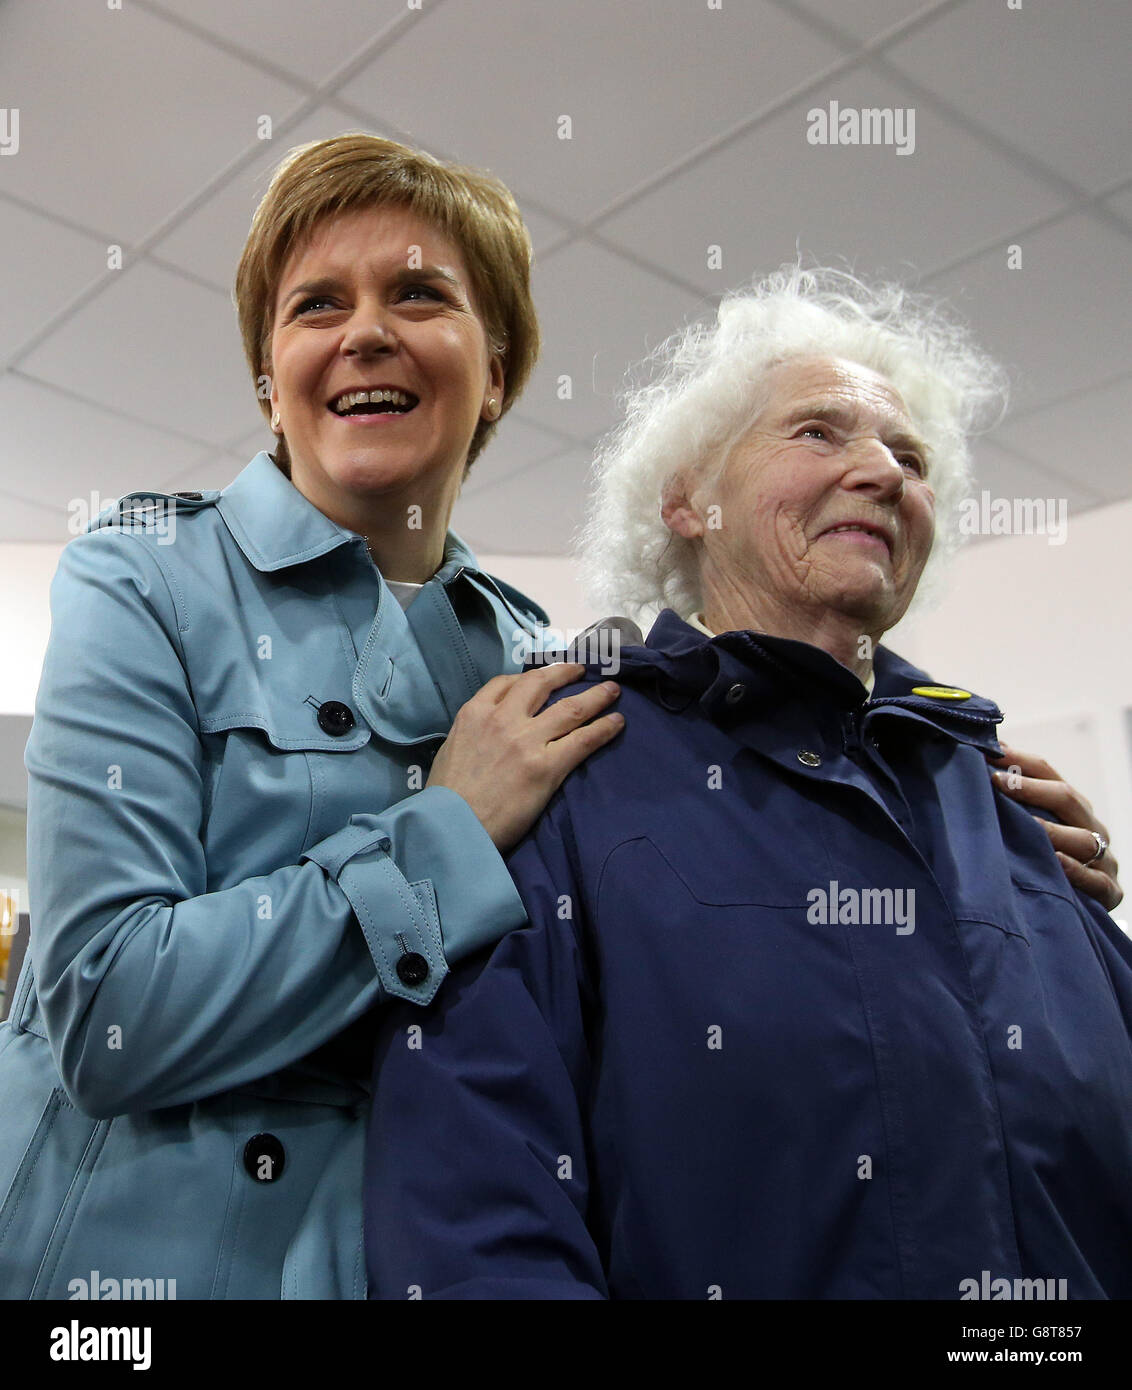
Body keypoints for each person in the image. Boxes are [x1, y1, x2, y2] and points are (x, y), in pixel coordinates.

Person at [365, 265, 1132, 1300]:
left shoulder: (1003, 802)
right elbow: (470, 1206)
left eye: (908, 456)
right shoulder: (570, 767)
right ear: (688, 501)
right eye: (818, 432)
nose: (880, 471)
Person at [0, 133, 625, 1300]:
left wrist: (994, 851)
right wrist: (443, 830)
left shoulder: (541, 668)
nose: (366, 331)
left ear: (496, 371)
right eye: (316, 305)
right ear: (269, 379)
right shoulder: (141, 579)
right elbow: (106, 1010)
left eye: (420, 293)